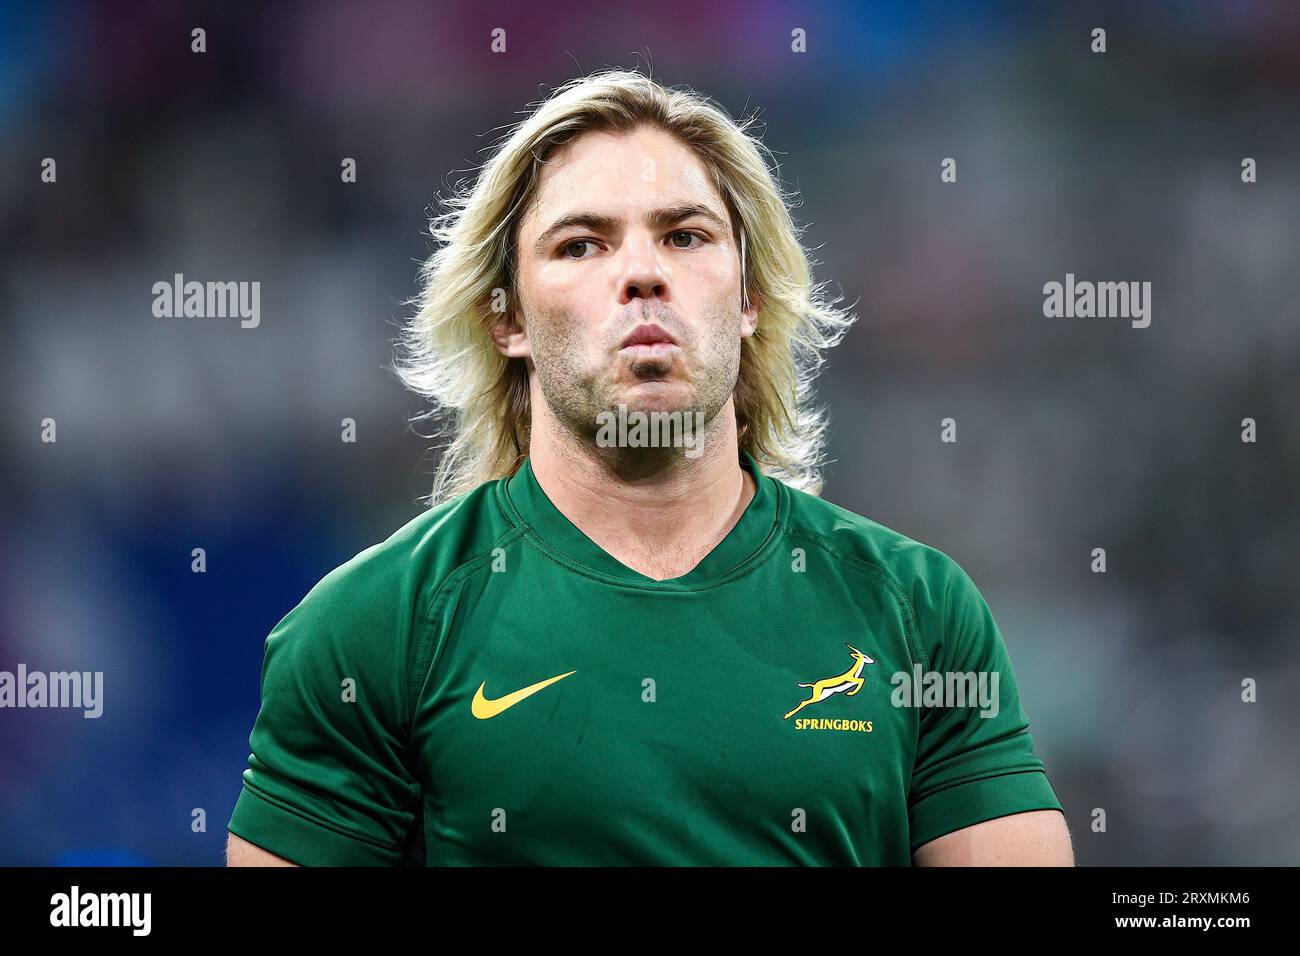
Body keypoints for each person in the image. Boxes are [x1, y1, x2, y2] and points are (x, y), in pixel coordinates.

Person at [226, 69, 1073, 866]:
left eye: (685, 235)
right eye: (583, 245)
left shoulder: (919, 611)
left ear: (747, 299)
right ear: (506, 321)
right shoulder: (372, 628)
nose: (642, 274)